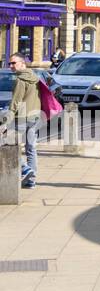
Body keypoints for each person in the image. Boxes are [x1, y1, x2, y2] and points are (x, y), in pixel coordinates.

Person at [7, 53, 42, 189]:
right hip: (35, 116)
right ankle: (31, 181)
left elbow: (15, 103)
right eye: (10, 63)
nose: (11, 66)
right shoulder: (35, 77)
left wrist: (5, 123)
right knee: (31, 148)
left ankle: (25, 169)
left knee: (9, 144)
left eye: (13, 63)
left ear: (22, 63)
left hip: (22, 117)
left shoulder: (21, 80)